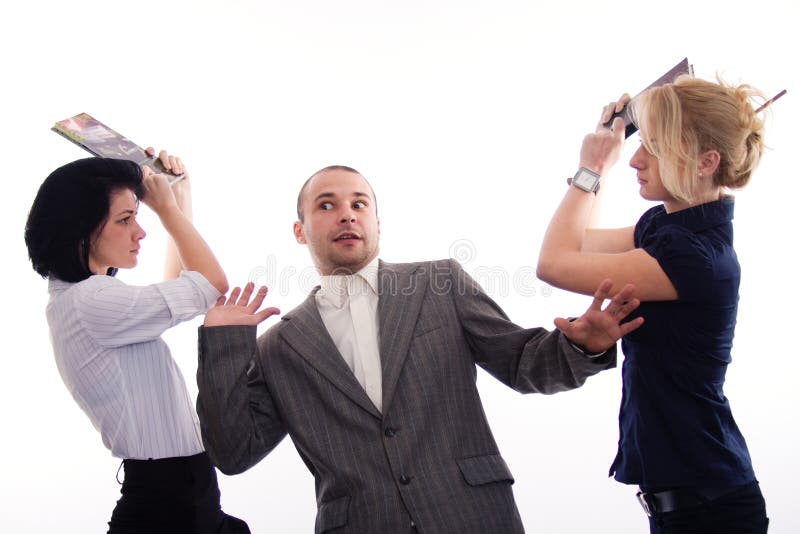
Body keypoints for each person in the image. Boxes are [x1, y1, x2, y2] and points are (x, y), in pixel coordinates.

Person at [194, 164, 644, 533]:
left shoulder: (439, 283)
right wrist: (225, 345)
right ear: (299, 229)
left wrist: (579, 347)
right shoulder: (280, 344)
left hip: (472, 517)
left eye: (359, 204)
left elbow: (524, 364)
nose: (346, 215)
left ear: (376, 223)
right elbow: (234, 453)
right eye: (326, 205)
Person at [536, 75, 770, 533]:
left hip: (711, 513)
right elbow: (579, 242)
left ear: (706, 162)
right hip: (693, 504)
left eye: (655, 148)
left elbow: (555, 262)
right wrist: (606, 154)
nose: (636, 160)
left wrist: (592, 167)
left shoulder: (691, 257)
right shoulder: (670, 229)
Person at [24, 150, 250, 534]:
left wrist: (180, 196)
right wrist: (167, 212)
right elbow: (210, 285)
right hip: (166, 507)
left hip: (184, 499)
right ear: (81, 229)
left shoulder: (86, 298)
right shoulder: (91, 302)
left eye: (138, 217)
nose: (140, 232)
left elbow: (177, 285)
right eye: (125, 219)